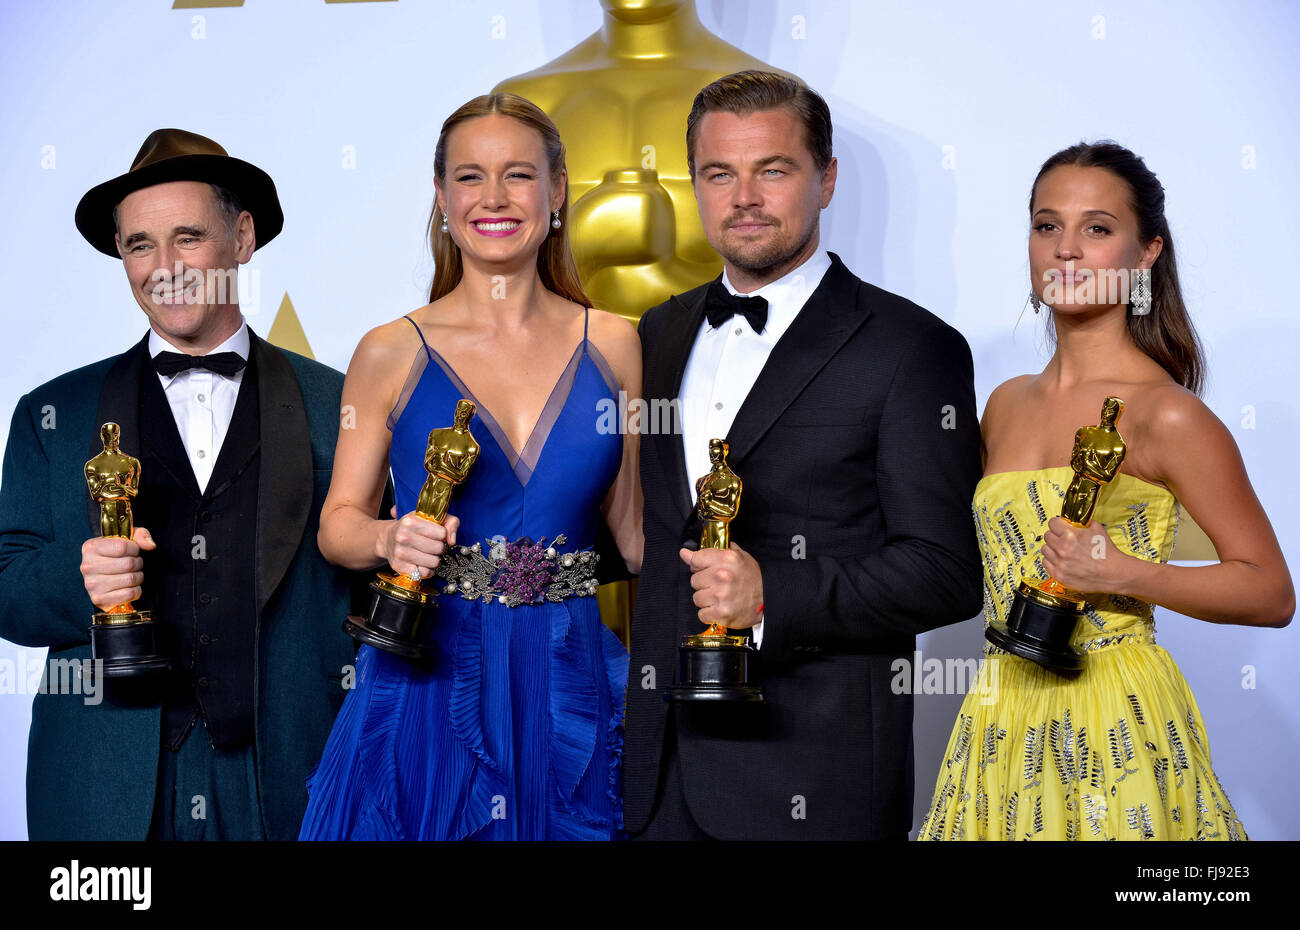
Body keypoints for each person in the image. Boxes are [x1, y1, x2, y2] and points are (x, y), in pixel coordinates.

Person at [624, 70, 985, 841]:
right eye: (720, 173)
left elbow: (946, 572)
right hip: (657, 778)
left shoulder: (910, 348)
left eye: (773, 170)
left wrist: (771, 597)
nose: (744, 197)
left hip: (815, 782)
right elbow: (648, 534)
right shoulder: (654, 333)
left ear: (825, 180)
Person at [917, 141, 1295, 841]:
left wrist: (1124, 573)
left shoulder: (1167, 413)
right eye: (1046, 225)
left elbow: (1270, 592)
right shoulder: (1002, 404)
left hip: (1114, 708)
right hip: (1000, 711)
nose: (1066, 250)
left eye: (1097, 228)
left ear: (1146, 253)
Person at [298, 93, 642, 841]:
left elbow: (639, 536)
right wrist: (388, 541)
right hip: (430, 668)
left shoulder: (617, 343)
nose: (493, 198)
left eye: (518, 176)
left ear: (557, 193)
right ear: (441, 197)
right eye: (469, 177)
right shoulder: (389, 349)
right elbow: (338, 525)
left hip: (571, 671)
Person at [0, 128, 359, 840]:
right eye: (139, 245)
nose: (163, 267)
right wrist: (83, 582)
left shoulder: (342, 405)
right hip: (109, 784)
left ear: (243, 237)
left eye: (188, 237)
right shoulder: (51, 414)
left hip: (290, 775)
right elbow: (8, 589)